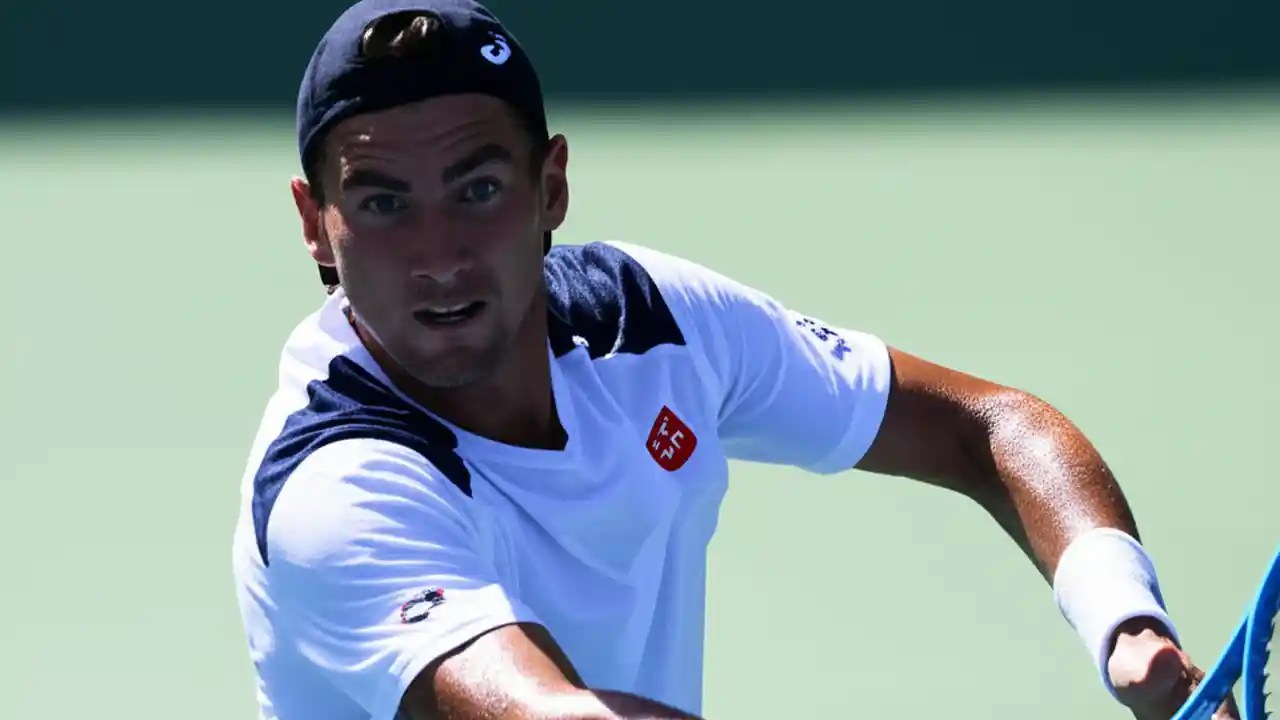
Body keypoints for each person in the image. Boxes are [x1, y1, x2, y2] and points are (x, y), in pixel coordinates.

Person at [230, 1, 1235, 719]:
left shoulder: (655, 323)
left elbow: (986, 427)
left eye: (478, 187)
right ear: (314, 225)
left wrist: (1123, 624)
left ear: (551, 188)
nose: (439, 253)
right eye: (382, 202)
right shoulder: (338, 485)